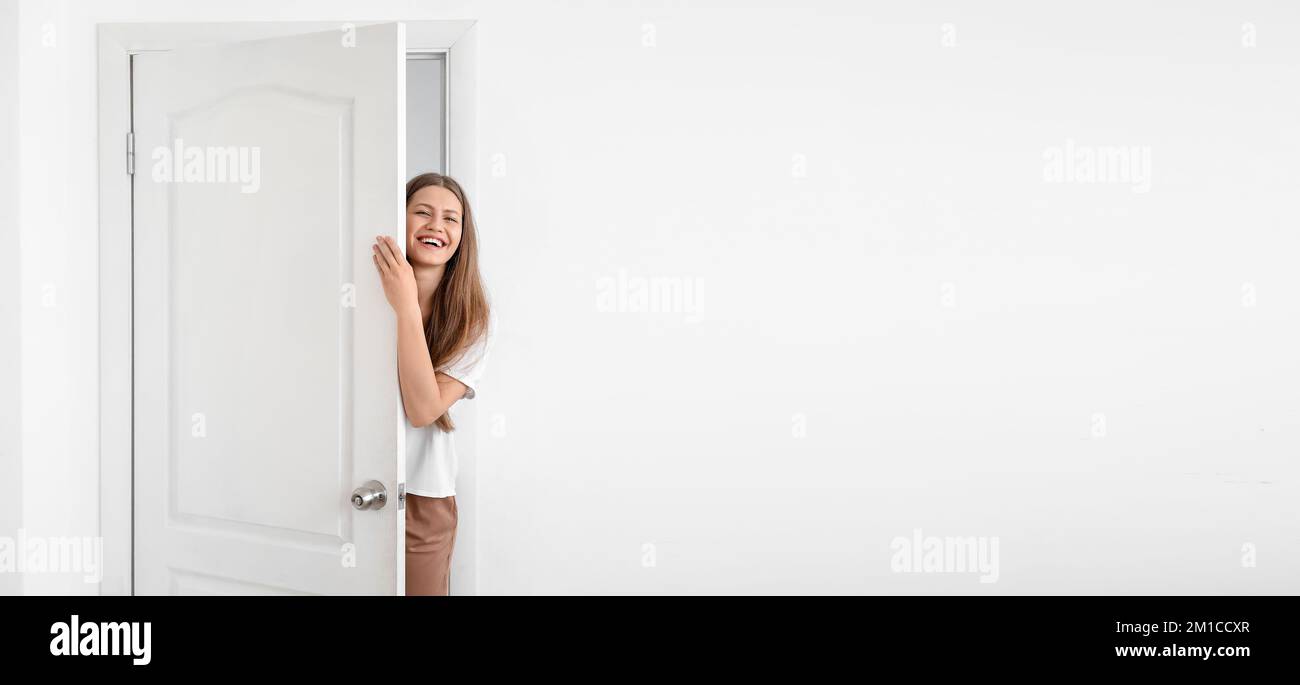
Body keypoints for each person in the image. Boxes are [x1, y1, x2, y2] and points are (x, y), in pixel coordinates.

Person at [372, 172, 493, 596]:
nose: (436, 226)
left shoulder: (472, 320)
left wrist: (405, 307)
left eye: (451, 218)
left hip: (423, 499)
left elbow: (424, 410)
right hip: (358, 484)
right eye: (421, 212)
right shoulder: (363, 295)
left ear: (462, 235)